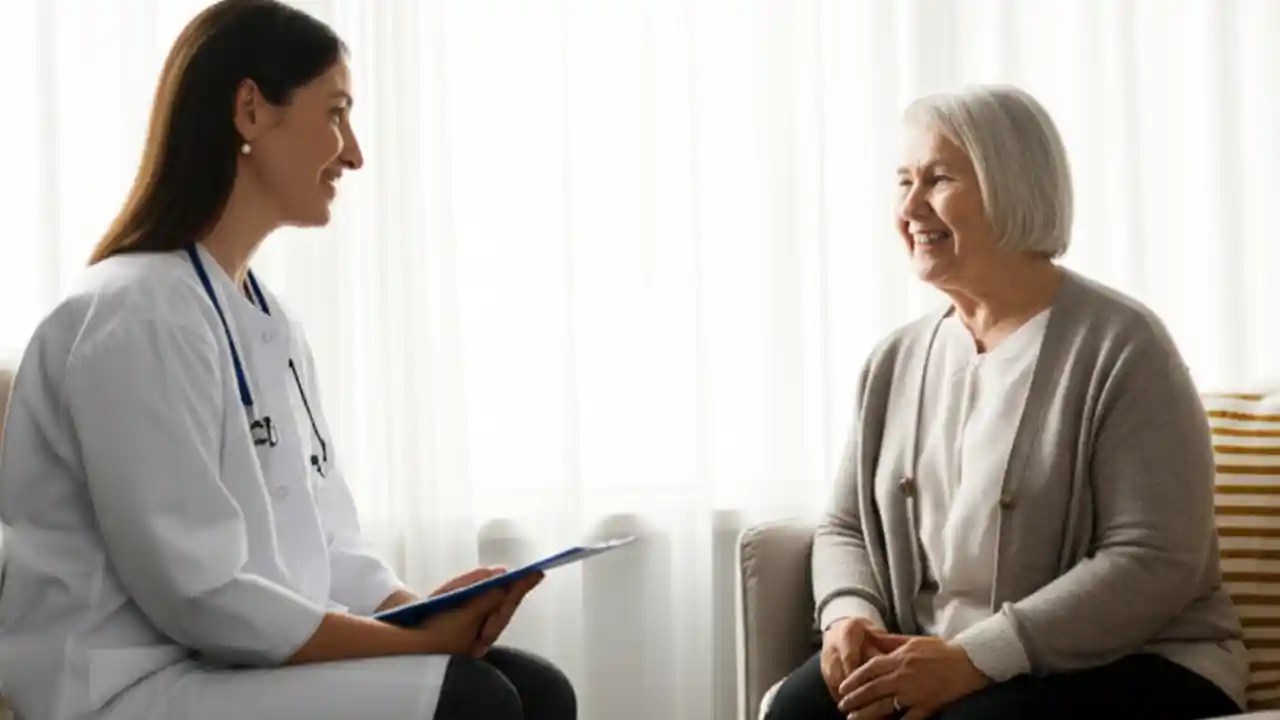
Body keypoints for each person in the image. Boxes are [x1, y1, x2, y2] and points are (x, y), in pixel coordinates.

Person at [0, 2, 575, 718]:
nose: (354, 151)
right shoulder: (136, 316)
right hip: (130, 686)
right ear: (250, 109)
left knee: (539, 690)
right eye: (336, 112)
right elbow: (199, 594)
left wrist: (425, 613)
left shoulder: (272, 323)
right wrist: (410, 647)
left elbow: (325, 543)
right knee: (473, 701)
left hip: (235, 667)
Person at [765, 86, 1247, 720]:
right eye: (903, 180)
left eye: (938, 179)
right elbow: (844, 526)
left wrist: (975, 658)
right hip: (936, 650)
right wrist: (848, 615)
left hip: (1135, 656)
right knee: (798, 711)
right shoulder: (895, 359)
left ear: (1011, 185)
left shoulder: (1124, 346)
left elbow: (1154, 560)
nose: (910, 206)